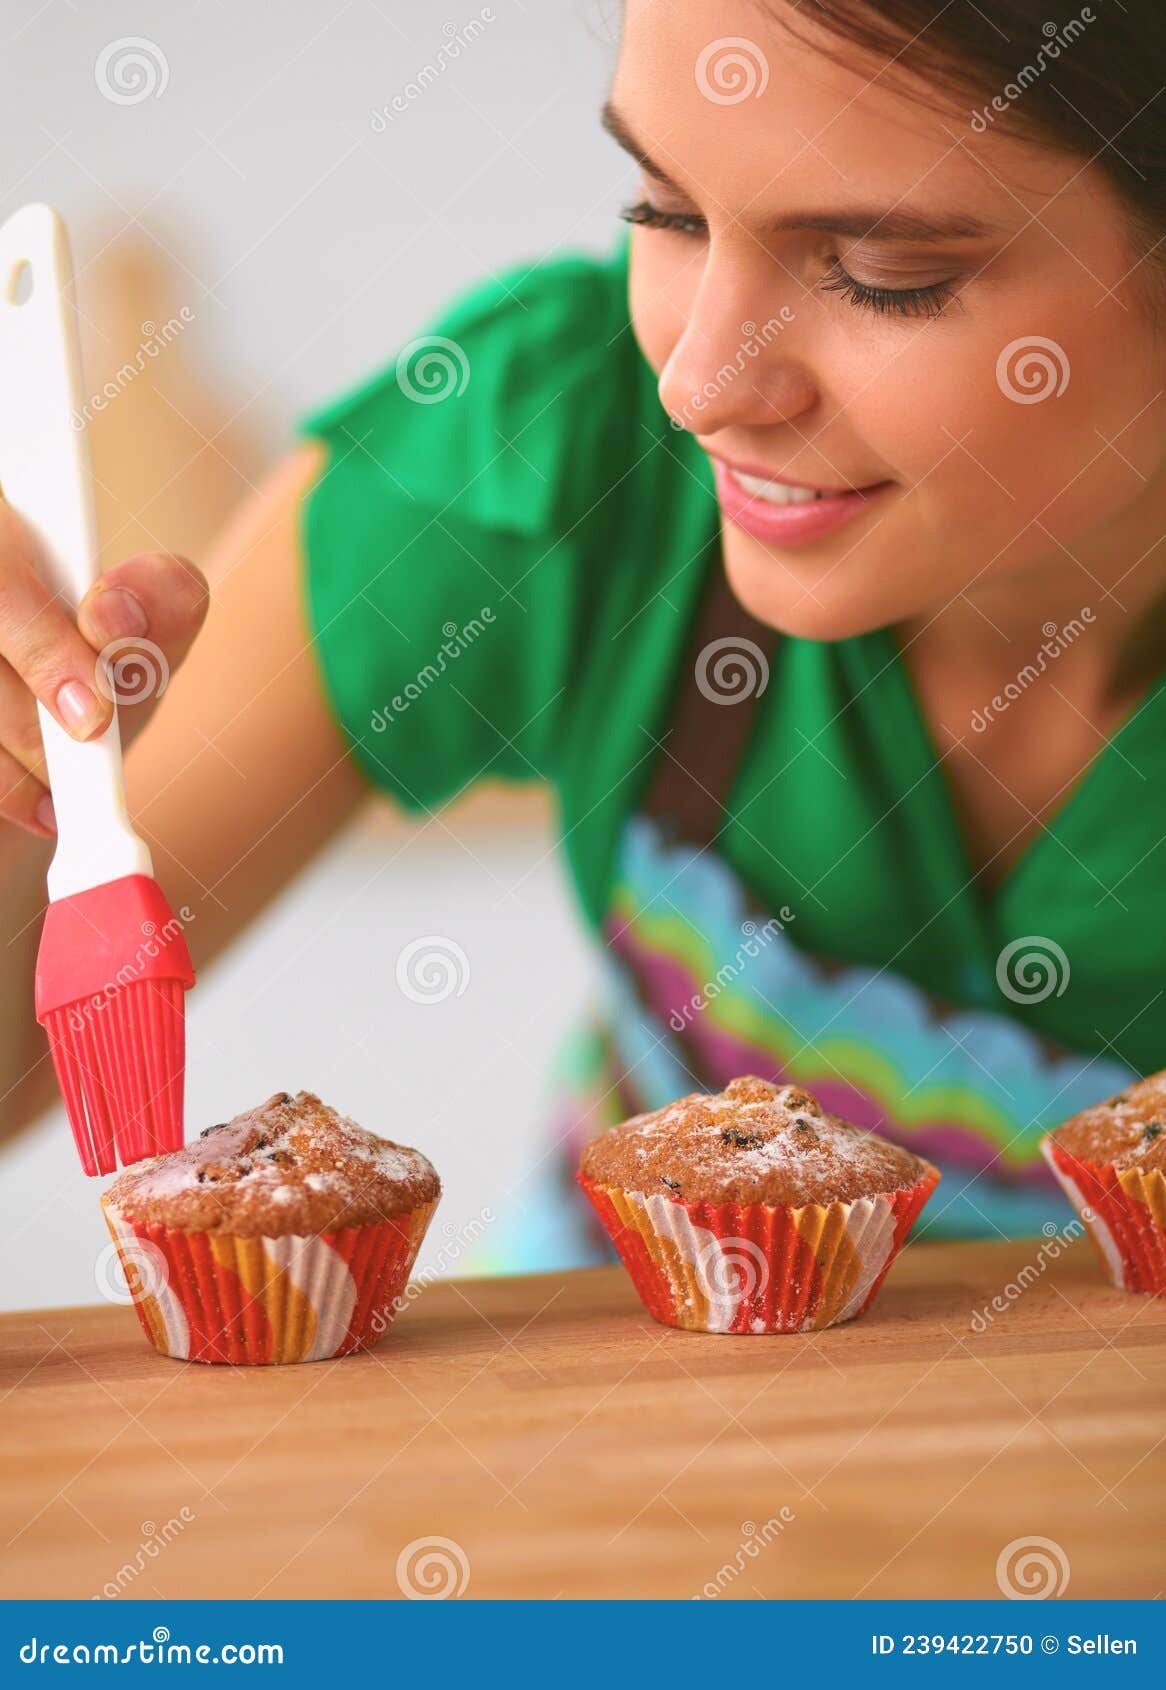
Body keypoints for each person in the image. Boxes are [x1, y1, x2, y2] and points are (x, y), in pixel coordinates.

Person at [2, 1, 1164, 1269]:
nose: (700, 384)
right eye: (664, 212)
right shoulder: (553, 442)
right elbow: (24, 1054)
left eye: (882, 274)